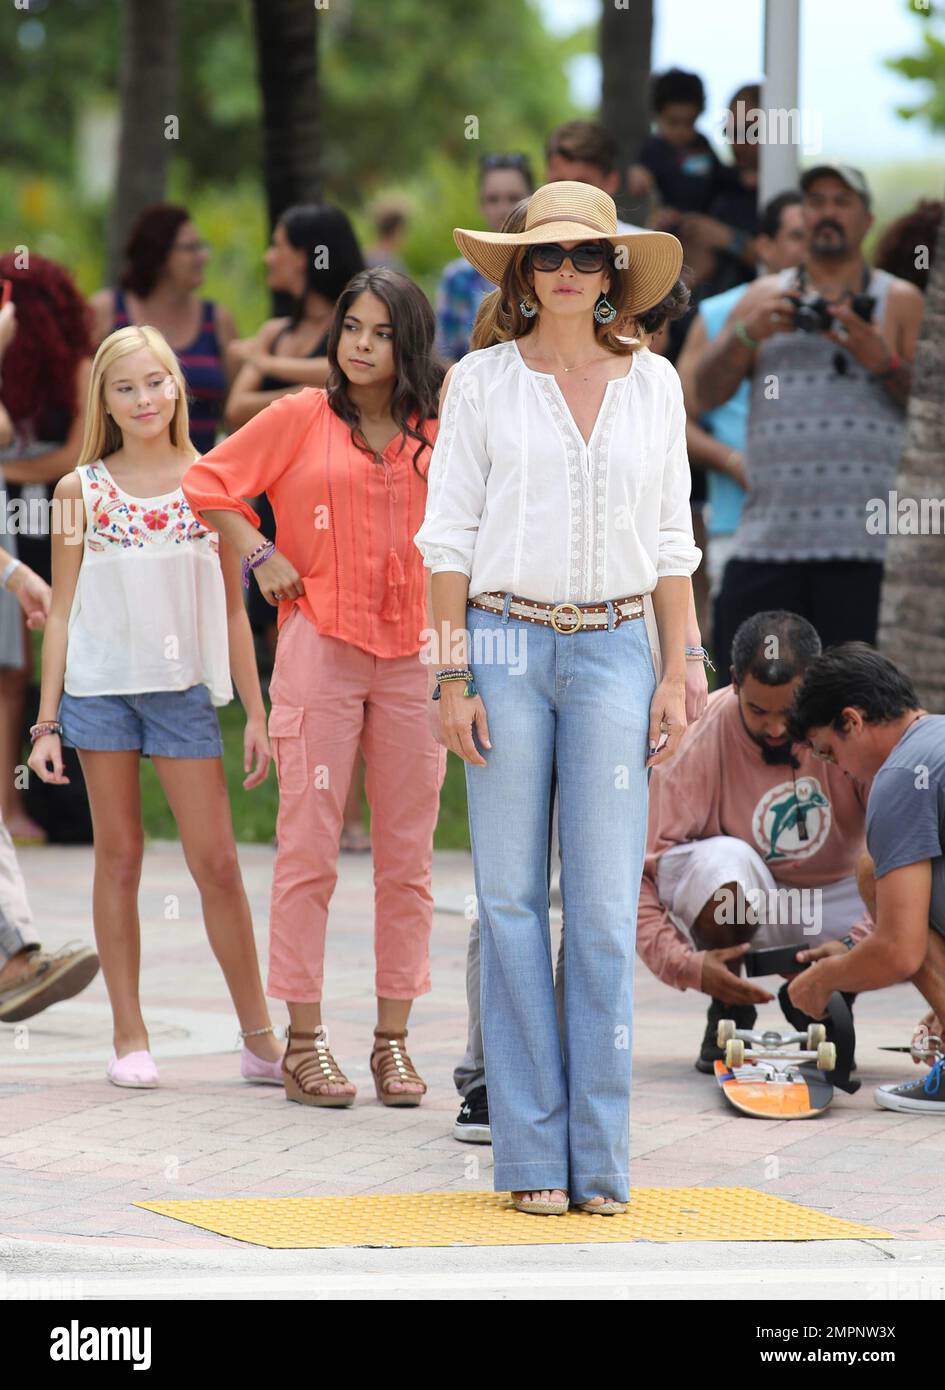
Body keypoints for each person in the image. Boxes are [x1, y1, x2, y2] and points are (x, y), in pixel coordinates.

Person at [415, 180, 699, 1215]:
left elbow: (673, 539)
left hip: (622, 646)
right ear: (523, 274)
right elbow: (446, 541)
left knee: (601, 911)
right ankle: (529, 1153)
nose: (568, 271)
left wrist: (683, 666)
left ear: (614, 270)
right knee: (507, 900)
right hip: (499, 641)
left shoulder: (655, 383)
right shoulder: (480, 383)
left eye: (586, 255)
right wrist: (451, 674)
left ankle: (601, 1156)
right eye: (548, 257)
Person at [183, 268, 446, 1110]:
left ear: (408, 345)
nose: (362, 347)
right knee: (307, 853)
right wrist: (259, 551)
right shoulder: (298, 417)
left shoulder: (439, 430)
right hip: (318, 648)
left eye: (381, 333)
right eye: (351, 330)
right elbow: (205, 484)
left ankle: (392, 1044)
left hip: (416, 657)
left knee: (407, 861)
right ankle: (302, 1044)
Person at [28, 326, 284, 1089]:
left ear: (178, 387)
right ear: (102, 400)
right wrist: (46, 723)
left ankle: (260, 1037)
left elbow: (238, 614)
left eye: (156, 382)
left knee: (217, 863)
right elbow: (64, 610)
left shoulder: (212, 482)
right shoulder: (80, 491)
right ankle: (129, 1035)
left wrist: (258, 715)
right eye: (125, 387)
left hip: (181, 697)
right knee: (121, 857)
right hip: (99, 694)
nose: (144, 399)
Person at [695, 164, 925, 675]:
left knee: (855, 709)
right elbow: (703, 394)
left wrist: (882, 360)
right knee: (750, 699)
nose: (826, 211)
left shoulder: (900, 301)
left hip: (865, 547)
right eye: (815, 200)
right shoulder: (763, 298)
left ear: (866, 219)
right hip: (768, 542)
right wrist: (747, 336)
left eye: (840, 201)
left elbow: (933, 411)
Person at [637, 611, 872, 1070]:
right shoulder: (697, 733)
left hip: (841, 906)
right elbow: (645, 874)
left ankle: (829, 1000)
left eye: (791, 710)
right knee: (722, 860)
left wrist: (852, 952)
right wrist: (685, 965)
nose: (777, 729)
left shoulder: (852, 726)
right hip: (752, 906)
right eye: (758, 711)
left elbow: (905, 859)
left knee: (898, 868)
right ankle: (729, 1004)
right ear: (734, 684)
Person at [786, 645, 945, 1114]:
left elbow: (899, 949)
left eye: (830, 753)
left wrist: (819, 981)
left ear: (852, 721)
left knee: (872, 871)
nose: (840, 769)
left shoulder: (898, 777)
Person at [0, 253, 95, 844]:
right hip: (14, 521)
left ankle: (42, 800)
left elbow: (75, 456)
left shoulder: (77, 368)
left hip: (54, 519)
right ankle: (12, 807)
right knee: (12, 668)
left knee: (37, 662)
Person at [675, 191, 805, 608]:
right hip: (739, 520)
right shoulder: (718, 313)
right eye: (796, 236)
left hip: (829, 528)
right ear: (765, 246)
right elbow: (677, 417)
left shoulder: (847, 314)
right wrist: (733, 462)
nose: (808, 249)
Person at [90, 204, 237, 454]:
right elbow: (81, 398)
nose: (203, 256)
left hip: (199, 477)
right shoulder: (107, 310)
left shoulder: (218, 319)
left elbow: (234, 416)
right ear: (158, 253)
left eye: (202, 246)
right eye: (191, 248)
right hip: (120, 476)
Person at [435, 154, 534, 364]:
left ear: (532, 201)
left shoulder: (549, 268)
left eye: (513, 198)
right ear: (481, 205)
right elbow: (445, 356)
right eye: (492, 199)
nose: (502, 208)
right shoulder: (458, 277)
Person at [628, 68, 724, 220]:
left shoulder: (701, 145)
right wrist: (639, 176)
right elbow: (640, 174)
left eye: (689, 122)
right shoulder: (653, 149)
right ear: (657, 116)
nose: (681, 131)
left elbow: (721, 178)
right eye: (673, 122)